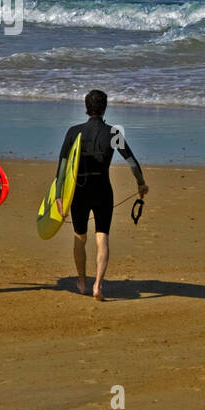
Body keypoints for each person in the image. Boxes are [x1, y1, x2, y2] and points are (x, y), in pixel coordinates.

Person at [56, 89, 148, 301]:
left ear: (86, 108)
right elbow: (132, 162)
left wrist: (60, 195)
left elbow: (62, 168)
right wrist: (141, 184)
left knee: (80, 237)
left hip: (79, 191)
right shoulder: (113, 132)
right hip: (102, 190)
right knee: (102, 237)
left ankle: (81, 282)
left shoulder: (73, 132)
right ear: (105, 108)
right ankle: (98, 285)